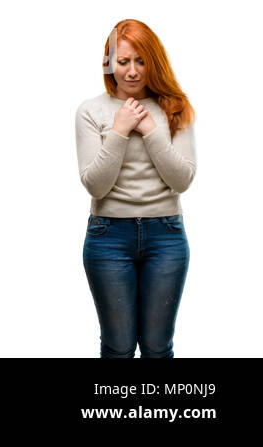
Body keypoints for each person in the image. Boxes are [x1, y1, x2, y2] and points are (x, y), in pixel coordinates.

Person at [76, 19, 195, 358]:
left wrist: (152, 130)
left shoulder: (175, 107)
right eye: (123, 61)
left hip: (166, 235)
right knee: (119, 346)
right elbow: (95, 186)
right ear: (109, 62)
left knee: (158, 347)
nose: (131, 71)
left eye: (140, 61)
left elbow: (182, 179)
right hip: (108, 237)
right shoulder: (90, 111)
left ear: (153, 61)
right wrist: (120, 131)